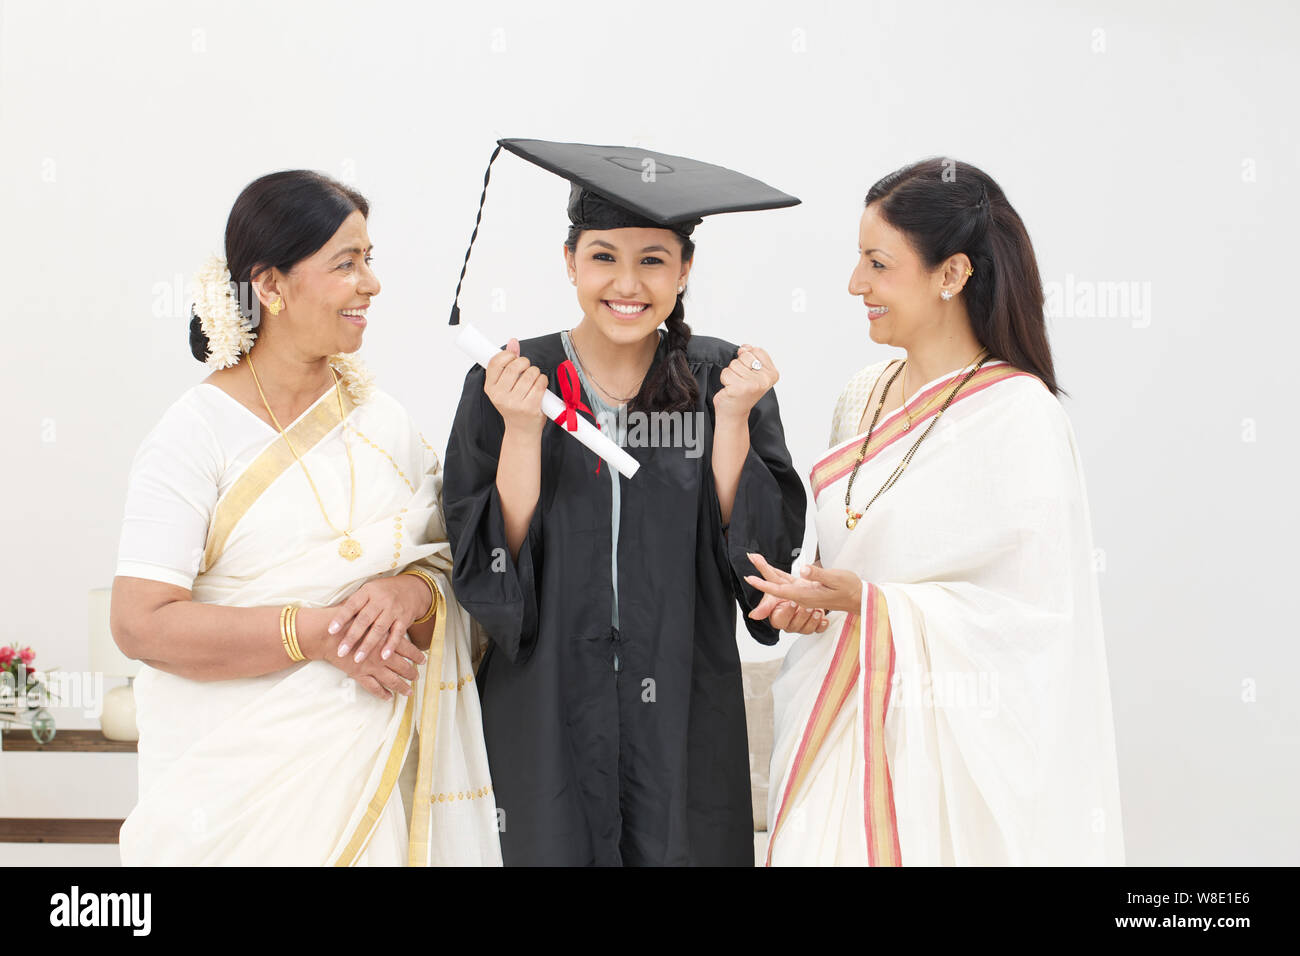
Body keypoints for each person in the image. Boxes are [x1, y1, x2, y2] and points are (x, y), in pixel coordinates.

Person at [111, 170, 500, 865]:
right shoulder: (195, 434)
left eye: (369, 260)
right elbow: (141, 622)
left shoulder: (385, 425)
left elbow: (454, 561)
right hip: (234, 797)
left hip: (372, 770)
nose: (371, 284)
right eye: (345, 263)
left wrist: (411, 591)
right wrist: (318, 634)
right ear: (270, 285)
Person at [747, 158, 1125, 866]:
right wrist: (817, 601)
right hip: (837, 733)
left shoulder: (1019, 417)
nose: (855, 284)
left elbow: (1035, 627)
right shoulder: (863, 395)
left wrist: (868, 602)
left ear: (951, 275)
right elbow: (853, 554)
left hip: (944, 764)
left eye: (877, 263)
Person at [441, 139, 807, 865]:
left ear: (685, 269)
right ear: (570, 261)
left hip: (682, 699)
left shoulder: (721, 379)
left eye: (653, 259)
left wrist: (731, 421)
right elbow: (489, 569)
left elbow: (763, 560)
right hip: (543, 699)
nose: (626, 283)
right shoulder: (516, 378)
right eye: (604, 256)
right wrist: (520, 430)